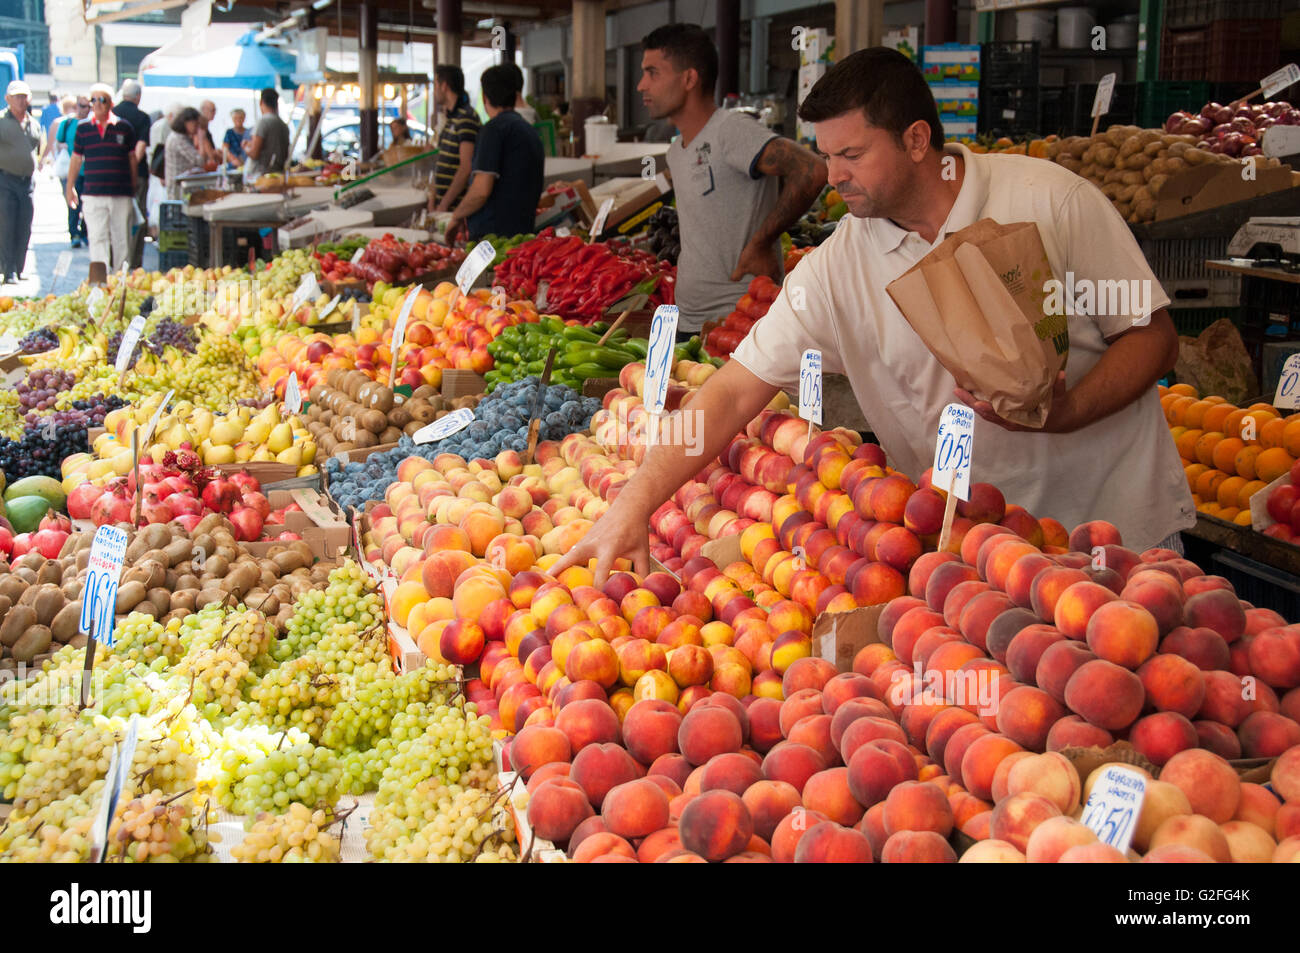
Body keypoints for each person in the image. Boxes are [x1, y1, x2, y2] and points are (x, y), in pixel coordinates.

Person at [551, 49, 1194, 587]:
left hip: (1115, 535)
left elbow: (1152, 338)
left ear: (917, 140)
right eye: (826, 157)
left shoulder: (1052, 202)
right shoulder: (838, 268)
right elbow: (728, 393)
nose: (833, 178)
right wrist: (634, 502)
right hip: (973, 560)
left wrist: (1069, 411)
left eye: (852, 155)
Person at [637, 24, 827, 333]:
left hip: (739, 323)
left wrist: (764, 240)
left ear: (689, 78)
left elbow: (812, 170)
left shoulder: (730, 130)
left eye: (653, 72)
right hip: (687, 321)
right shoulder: (676, 151)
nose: (641, 85)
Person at [447, 65, 543, 243]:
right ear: (515, 95)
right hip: (523, 237)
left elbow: (481, 191)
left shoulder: (493, 131)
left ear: (485, 97)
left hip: (494, 242)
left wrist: (456, 216)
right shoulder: (530, 132)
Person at [66, 83, 145, 270]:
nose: (98, 104)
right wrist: (69, 188)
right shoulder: (83, 129)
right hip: (93, 193)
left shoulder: (124, 127)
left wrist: (132, 186)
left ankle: (120, 282)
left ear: (111, 103)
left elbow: (132, 159)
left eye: (102, 100)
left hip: (121, 193)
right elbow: (76, 159)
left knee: (122, 239)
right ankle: (100, 285)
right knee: (97, 238)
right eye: (93, 100)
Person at [0, 80, 41, 285]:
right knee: (7, 225)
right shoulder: (1, 120)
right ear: (8, 99)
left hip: (27, 182)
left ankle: (19, 266)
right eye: (17, 97)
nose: (21, 100)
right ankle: (8, 270)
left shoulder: (33, 123)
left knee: (25, 225)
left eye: (24, 96)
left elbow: (36, 148)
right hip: (5, 178)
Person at [430, 65, 480, 212]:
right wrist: (433, 198)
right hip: (444, 207)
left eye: (435, 85)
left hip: (456, 210)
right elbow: (440, 161)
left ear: (444, 86)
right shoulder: (451, 119)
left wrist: (443, 205)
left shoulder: (466, 117)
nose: (434, 91)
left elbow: (466, 168)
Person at [53, 96, 89, 247]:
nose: (84, 109)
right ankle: (74, 233)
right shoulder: (68, 123)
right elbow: (59, 141)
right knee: (73, 203)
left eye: (88, 106)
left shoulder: (93, 123)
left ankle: (85, 233)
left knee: (88, 205)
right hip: (72, 169)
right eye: (81, 106)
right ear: (76, 107)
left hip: (90, 172)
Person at [243, 87, 290, 183]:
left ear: (261, 102)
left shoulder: (263, 122)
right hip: (278, 174)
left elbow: (254, 154)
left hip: (260, 176)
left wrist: (245, 147)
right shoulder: (283, 125)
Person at [163, 107, 204, 200]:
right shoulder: (178, 139)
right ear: (186, 122)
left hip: (181, 186)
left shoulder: (182, 137)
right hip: (178, 189)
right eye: (195, 124)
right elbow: (199, 160)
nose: (197, 128)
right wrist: (201, 140)